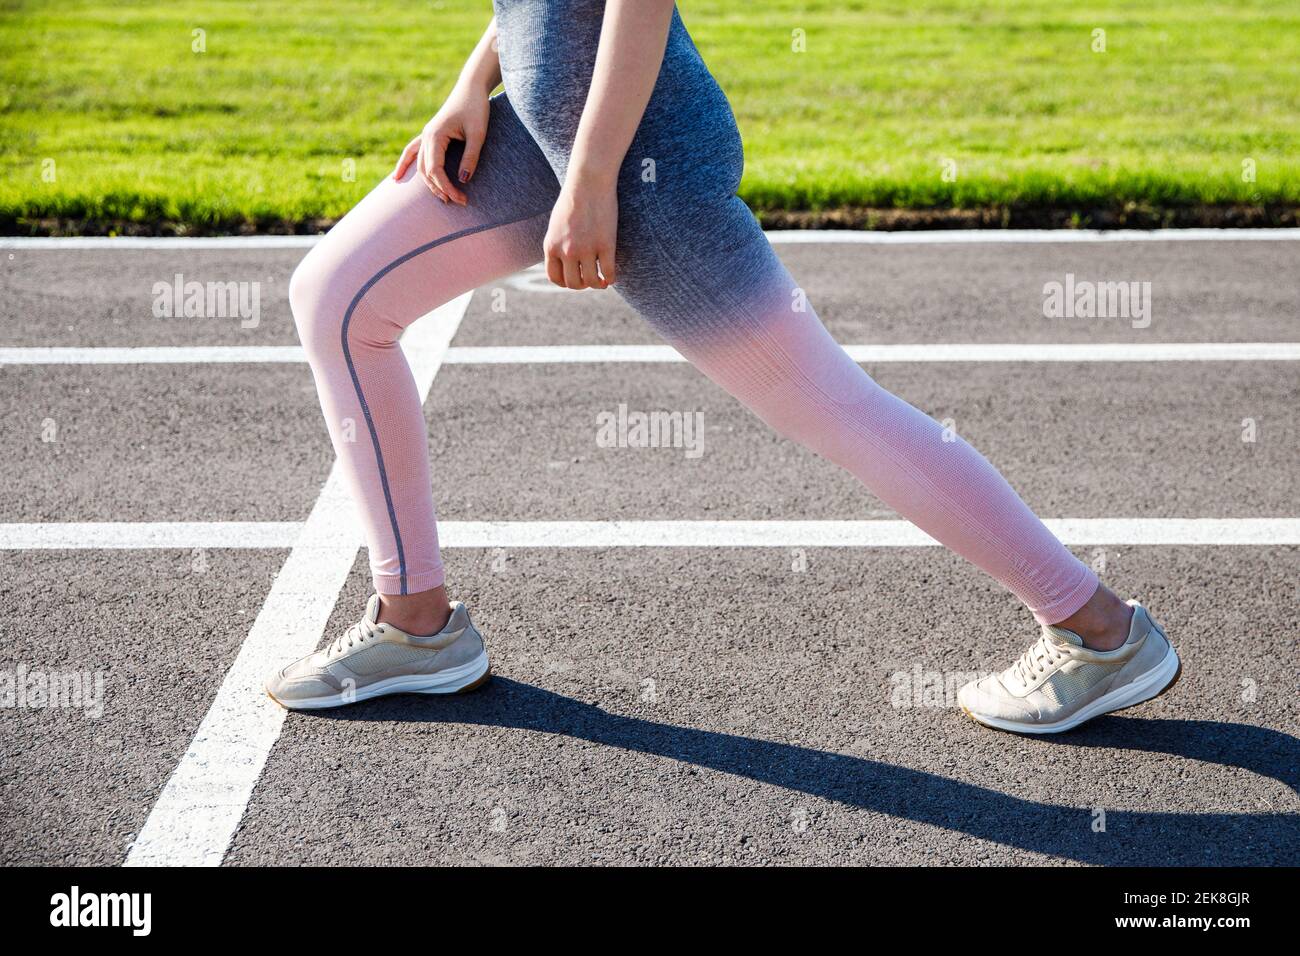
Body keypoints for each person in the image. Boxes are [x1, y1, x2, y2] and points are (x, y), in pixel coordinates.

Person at [265, 0, 1181, 733]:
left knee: (831, 406)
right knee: (337, 296)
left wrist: (591, 185)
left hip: (640, 161)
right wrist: (472, 81)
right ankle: (415, 624)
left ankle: (1098, 630)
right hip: (548, 136)